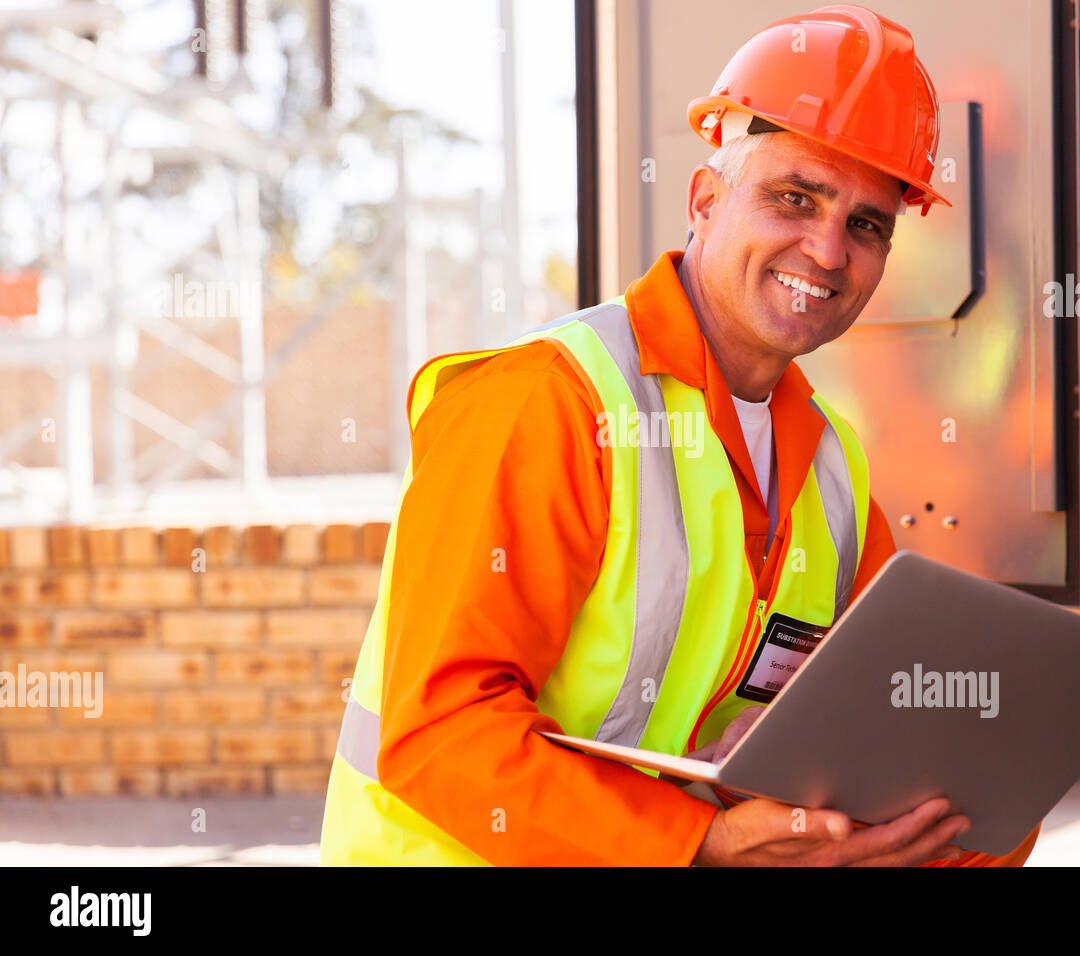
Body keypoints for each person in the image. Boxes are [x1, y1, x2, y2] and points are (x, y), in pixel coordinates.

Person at [321, 3, 1041, 867]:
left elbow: (887, 724)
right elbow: (441, 732)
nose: (826, 250)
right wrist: (695, 844)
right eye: (794, 197)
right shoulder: (545, 404)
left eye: (865, 224)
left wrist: (969, 822)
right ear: (706, 200)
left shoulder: (830, 471)